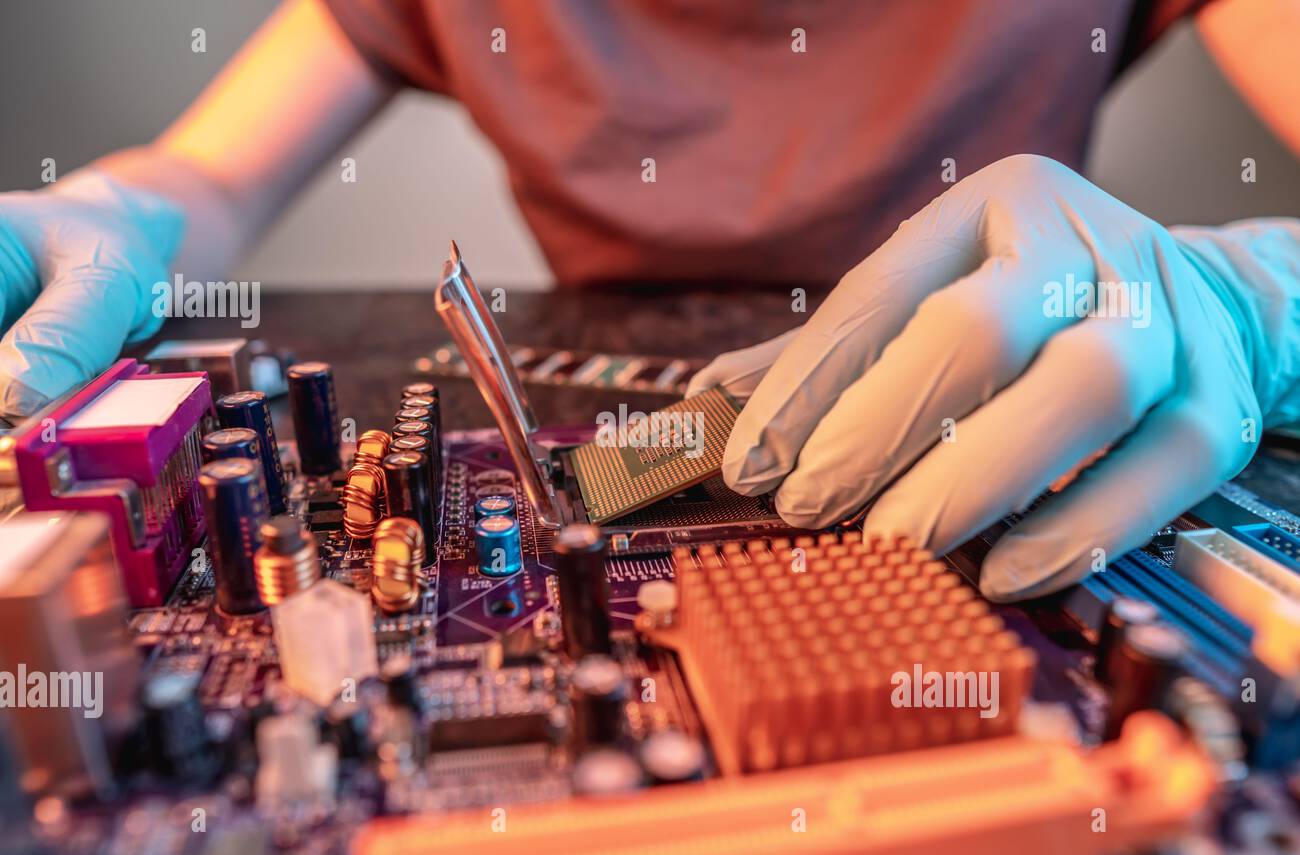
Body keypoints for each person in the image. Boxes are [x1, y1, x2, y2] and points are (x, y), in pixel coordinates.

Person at [1, 0, 1297, 600]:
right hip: (645, 450)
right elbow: (212, 173)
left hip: (1039, 420)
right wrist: (119, 212)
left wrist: (1248, 305)